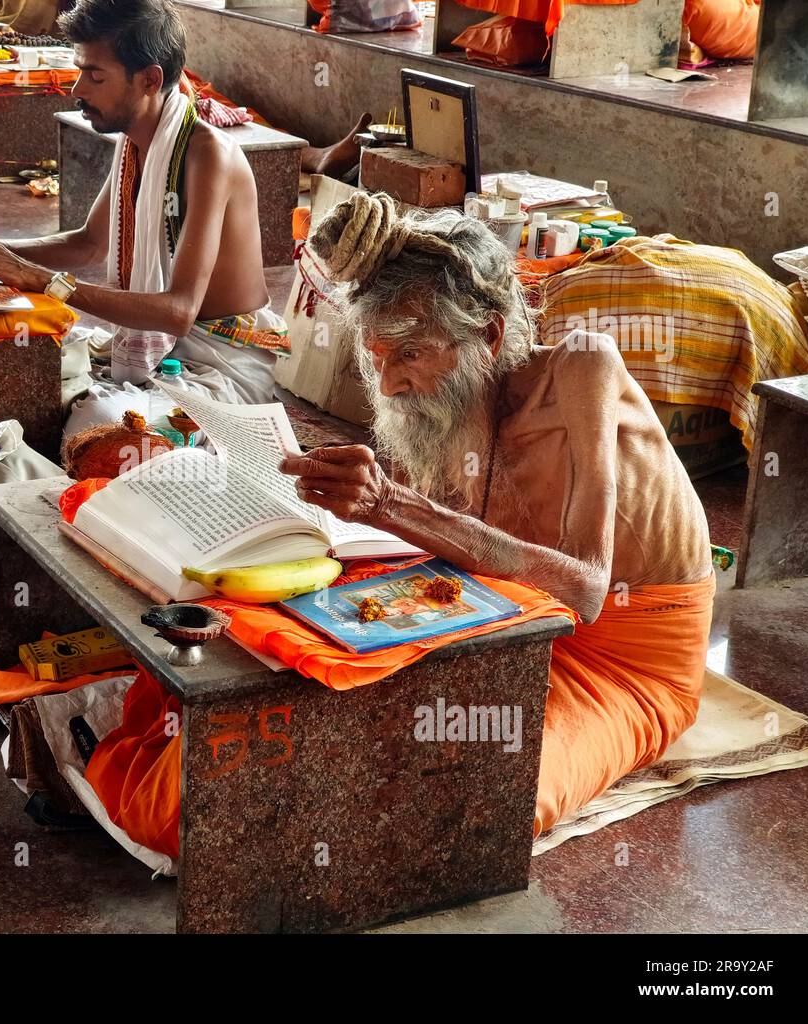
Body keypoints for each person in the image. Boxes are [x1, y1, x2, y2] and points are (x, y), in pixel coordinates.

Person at [86, 193, 718, 855]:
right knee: (276, 735)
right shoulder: (444, 403)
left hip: (616, 665)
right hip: (487, 622)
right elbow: (419, 536)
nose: (387, 386)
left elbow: (587, 591)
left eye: (410, 355)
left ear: (491, 336)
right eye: (377, 358)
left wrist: (391, 506)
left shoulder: (582, 370)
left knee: (468, 798)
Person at [0, 0, 287, 429]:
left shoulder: (208, 155)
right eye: (81, 70)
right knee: (14, 360)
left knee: (102, 423)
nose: (77, 90)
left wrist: (40, 279)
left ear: (149, 79)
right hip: (164, 351)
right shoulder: (137, 140)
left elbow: (178, 311)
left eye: (95, 75)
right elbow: (87, 243)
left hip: (221, 364)